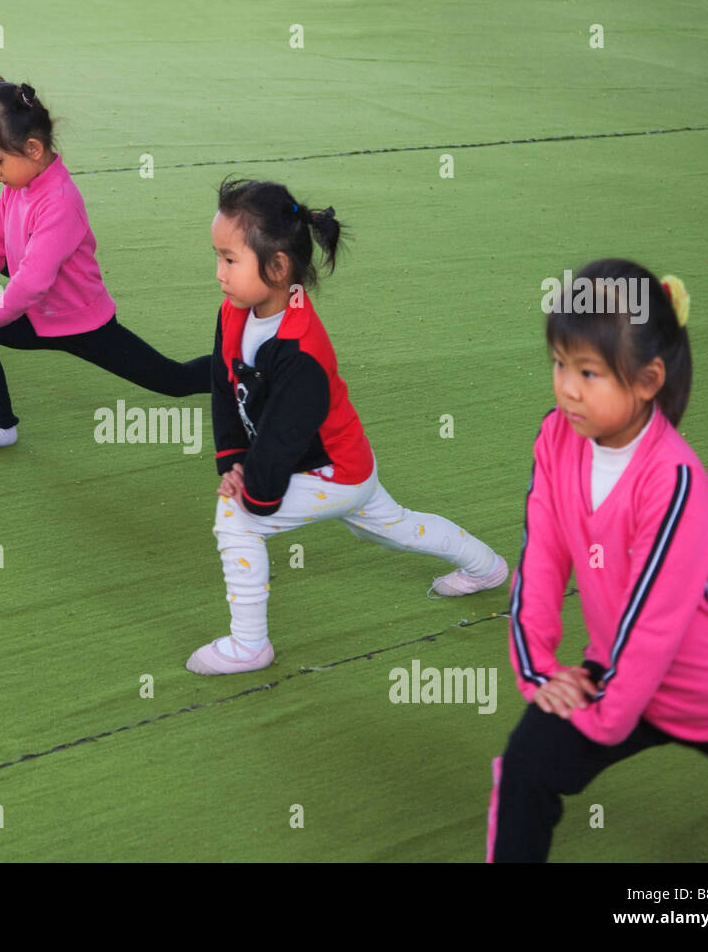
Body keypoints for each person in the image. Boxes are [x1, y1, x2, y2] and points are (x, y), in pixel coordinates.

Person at [487, 259, 708, 862]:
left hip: (705, 687)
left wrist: (602, 720)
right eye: (559, 364)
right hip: (612, 674)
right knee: (527, 765)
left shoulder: (675, 483)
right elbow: (542, 559)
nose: (568, 387)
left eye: (589, 372)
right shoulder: (555, 438)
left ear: (649, 379)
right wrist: (541, 670)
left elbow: (655, 624)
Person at [188, 178, 507, 675]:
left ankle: (249, 645)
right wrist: (231, 460)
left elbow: (282, 437)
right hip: (337, 464)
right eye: (218, 257)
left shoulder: (302, 353)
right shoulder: (235, 312)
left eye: (229, 259)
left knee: (237, 520)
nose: (218, 273)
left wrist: (252, 491)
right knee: (395, 526)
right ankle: (486, 567)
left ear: (278, 268)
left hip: (334, 470)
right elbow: (224, 387)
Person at [0, 77, 209, 457]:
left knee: (173, 379)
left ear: (34, 149)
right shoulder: (14, 188)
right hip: (36, 315)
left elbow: (34, 281)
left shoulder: (60, 201)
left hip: (83, 323)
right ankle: (0, 423)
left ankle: (238, 374)